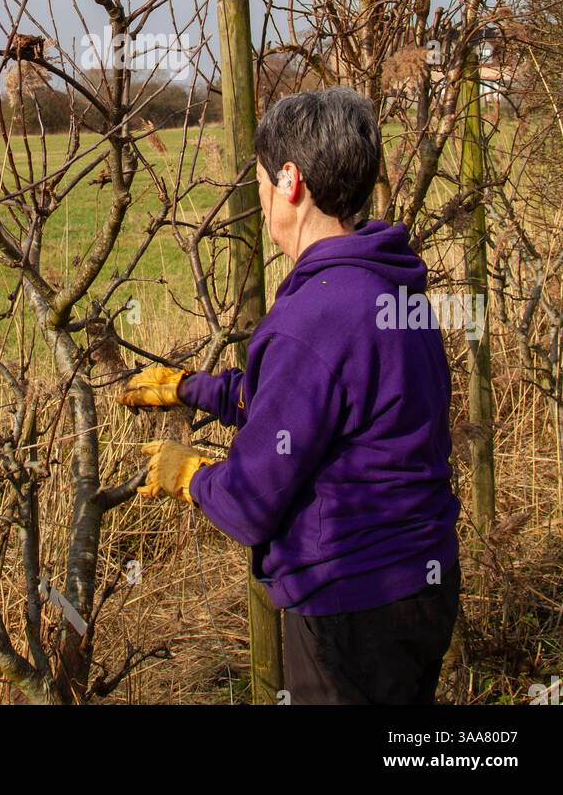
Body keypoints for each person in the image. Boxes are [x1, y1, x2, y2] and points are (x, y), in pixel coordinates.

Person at [117, 86, 461, 705]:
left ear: (290, 180)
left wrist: (190, 475)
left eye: (261, 182)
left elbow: (251, 503)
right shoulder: (394, 288)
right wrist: (193, 389)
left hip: (351, 606)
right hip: (422, 586)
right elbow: (313, 406)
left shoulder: (314, 317)